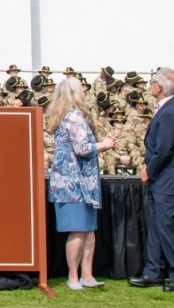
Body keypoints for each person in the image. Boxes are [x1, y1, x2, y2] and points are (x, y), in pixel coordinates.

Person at [48, 77, 117, 290]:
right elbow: (82, 148)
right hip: (75, 184)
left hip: (76, 183)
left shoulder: (63, 117)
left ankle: (87, 275)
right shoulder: (75, 117)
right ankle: (74, 276)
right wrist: (104, 144)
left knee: (87, 230)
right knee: (80, 231)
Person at [129, 67, 174, 292]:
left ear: (161, 87)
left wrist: (149, 170)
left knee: (166, 228)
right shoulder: (168, 109)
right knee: (155, 228)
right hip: (161, 180)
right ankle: (153, 272)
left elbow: (164, 149)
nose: (149, 85)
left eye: (152, 81)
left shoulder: (171, 111)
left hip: (167, 180)